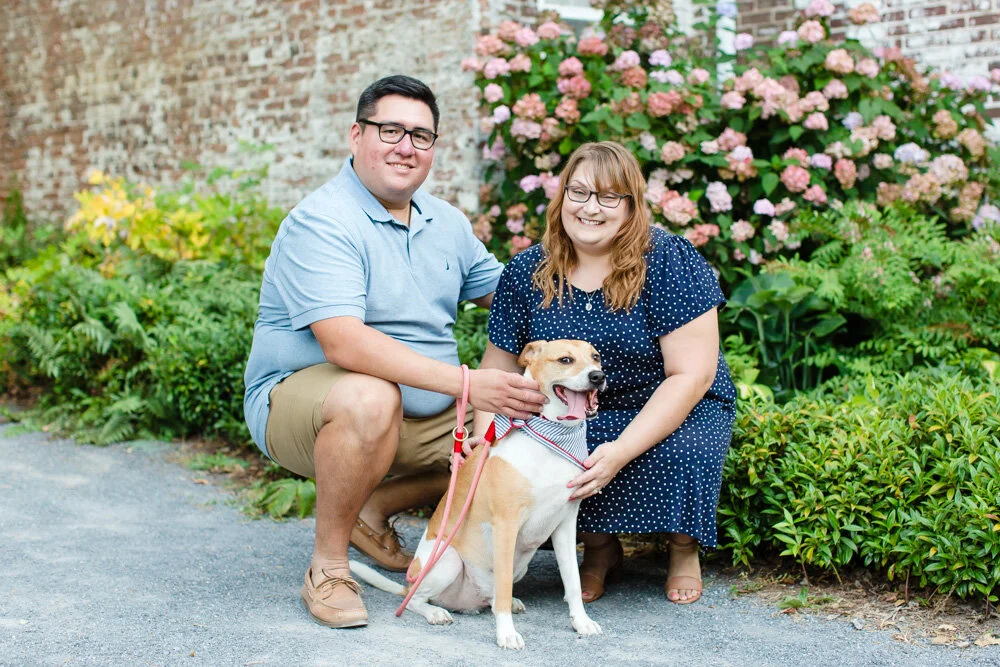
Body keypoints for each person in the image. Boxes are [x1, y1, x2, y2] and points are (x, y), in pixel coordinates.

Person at [243, 75, 546, 629]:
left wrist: (604, 276)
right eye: (390, 130)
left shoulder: (446, 222)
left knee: (534, 422)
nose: (406, 146)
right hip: (310, 403)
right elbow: (343, 340)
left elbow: (516, 296)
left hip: (427, 417)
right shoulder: (322, 220)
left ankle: (377, 505)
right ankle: (328, 568)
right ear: (356, 135)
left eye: (421, 136)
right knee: (370, 397)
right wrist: (470, 385)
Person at [474, 141, 736, 605]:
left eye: (608, 196)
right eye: (578, 192)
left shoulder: (668, 260)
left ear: (631, 206)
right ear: (561, 199)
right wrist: (483, 449)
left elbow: (691, 374)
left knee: (686, 445)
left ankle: (681, 548)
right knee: (562, 444)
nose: (590, 207)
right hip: (571, 406)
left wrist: (619, 452)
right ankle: (599, 549)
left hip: (673, 399)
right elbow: (496, 373)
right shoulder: (526, 272)